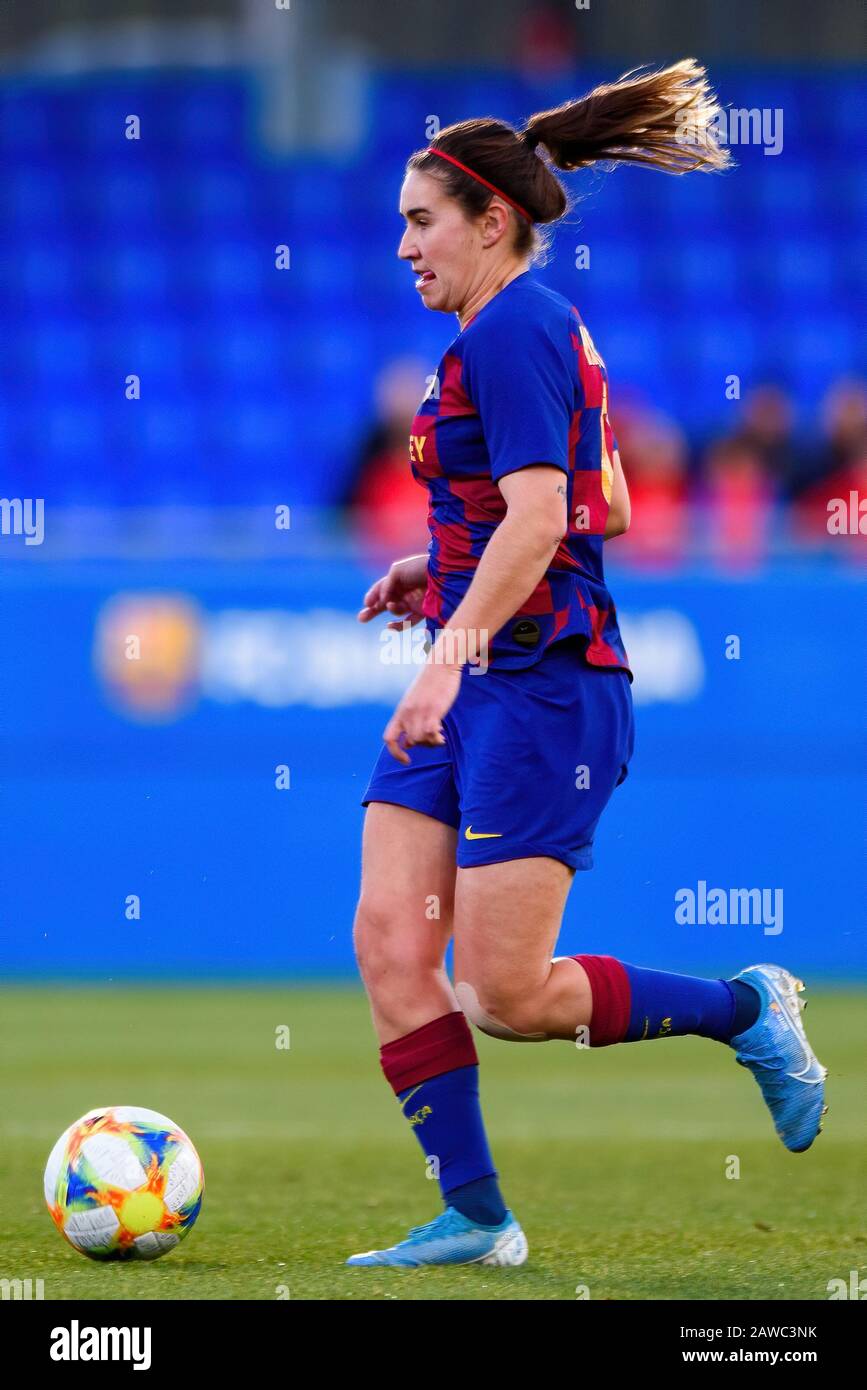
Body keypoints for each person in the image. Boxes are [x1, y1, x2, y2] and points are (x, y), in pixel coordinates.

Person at [349, 60, 827, 1270]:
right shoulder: (518, 329)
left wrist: (448, 652)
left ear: (490, 219)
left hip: (544, 689)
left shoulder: (513, 329)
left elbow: (545, 514)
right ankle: (476, 1216)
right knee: (394, 948)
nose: (404, 246)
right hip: (493, 668)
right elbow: (598, 499)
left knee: (505, 996)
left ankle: (747, 1007)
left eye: (420, 222)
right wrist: (438, 569)